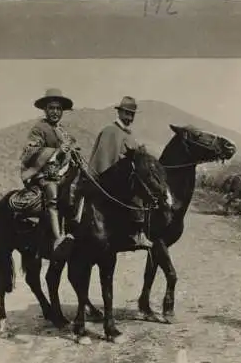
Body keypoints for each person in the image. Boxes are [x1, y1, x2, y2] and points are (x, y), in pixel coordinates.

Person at [20, 88, 78, 260]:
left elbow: (70, 147)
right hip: (44, 174)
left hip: (62, 173)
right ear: (45, 109)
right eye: (52, 108)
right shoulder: (39, 129)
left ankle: (75, 231)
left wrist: (73, 151)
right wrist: (57, 151)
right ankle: (57, 238)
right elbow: (30, 152)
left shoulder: (62, 130)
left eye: (58, 109)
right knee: (52, 194)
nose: (55, 112)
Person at [88, 96, 153, 250]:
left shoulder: (129, 134)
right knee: (135, 193)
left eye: (132, 115)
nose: (129, 118)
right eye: (127, 114)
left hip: (124, 177)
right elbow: (104, 160)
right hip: (110, 178)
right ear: (120, 112)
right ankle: (136, 232)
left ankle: (140, 231)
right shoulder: (110, 131)